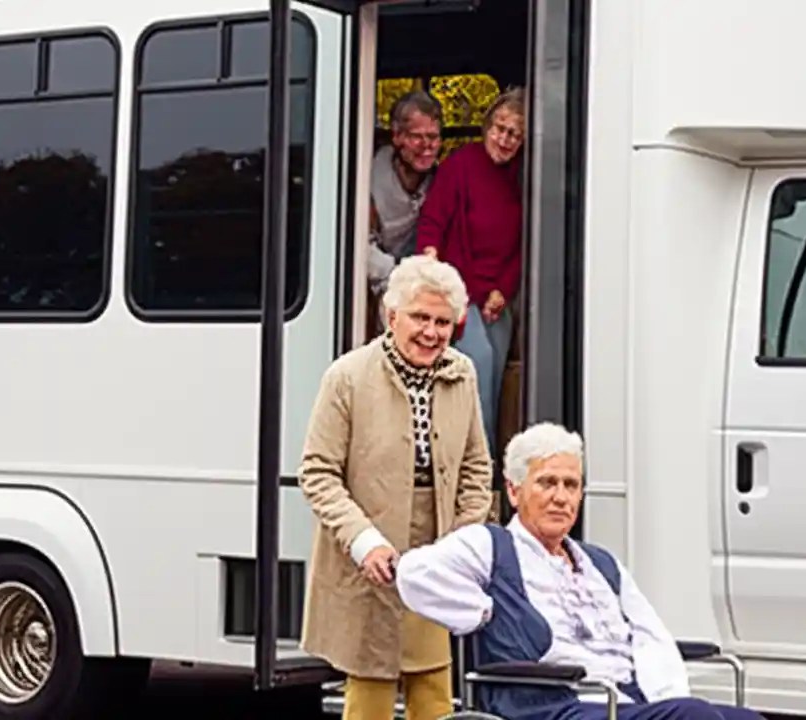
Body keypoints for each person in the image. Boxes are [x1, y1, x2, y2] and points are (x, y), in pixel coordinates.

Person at [395, 422, 767, 720]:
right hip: (551, 703)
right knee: (692, 716)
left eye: (571, 485)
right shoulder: (489, 545)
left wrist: (665, 692)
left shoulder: (600, 563)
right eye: (547, 483)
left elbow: (649, 634)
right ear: (513, 491)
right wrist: (482, 610)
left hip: (622, 700)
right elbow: (413, 574)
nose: (561, 497)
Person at [297, 254, 494, 720]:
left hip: (435, 554)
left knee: (433, 690)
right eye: (420, 318)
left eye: (443, 322)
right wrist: (365, 543)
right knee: (370, 689)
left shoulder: (461, 373)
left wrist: (461, 544)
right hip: (368, 558)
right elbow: (318, 472)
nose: (431, 332)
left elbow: (476, 467)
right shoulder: (347, 376)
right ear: (391, 317)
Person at [415, 87, 526, 455]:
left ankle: (487, 465)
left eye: (514, 133)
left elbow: (525, 244)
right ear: (486, 125)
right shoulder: (460, 165)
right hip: (460, 292)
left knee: (494, 383)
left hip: (498, 297)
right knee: (477, 369)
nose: (504, 139)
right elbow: (432, 220)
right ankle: (477, 466)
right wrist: (428, 262)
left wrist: (503, 291)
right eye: (498, 127)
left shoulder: (523, 178)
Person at [367, 90, 443, 335]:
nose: (427, 147)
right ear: (397, 137)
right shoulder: (365, 180)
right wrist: (397, 273)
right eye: (417, 137)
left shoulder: (440, 182)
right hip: (376, 281)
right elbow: (358, 251)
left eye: (433, 137)